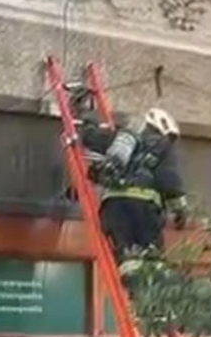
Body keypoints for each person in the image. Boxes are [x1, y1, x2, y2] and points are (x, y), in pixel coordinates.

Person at [78, 106, 188, 264]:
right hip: (143, 210)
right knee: (151, 257)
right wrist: (180, 210)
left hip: (113, 207)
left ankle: (125, 268)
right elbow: (169, 180)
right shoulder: (163, 148)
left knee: (123, 250)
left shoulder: (121, 138)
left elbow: (91, 139)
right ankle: (139, 283)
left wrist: (88, 120)